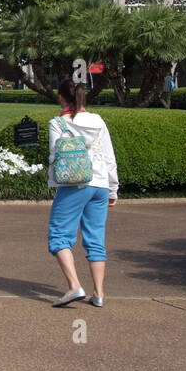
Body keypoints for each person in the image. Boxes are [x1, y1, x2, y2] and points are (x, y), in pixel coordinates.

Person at [46, 78, 120, 307]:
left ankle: (74, 286)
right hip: (99, 184)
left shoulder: (58, 123)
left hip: (73, 185)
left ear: (61, 98)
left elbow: (54, 155)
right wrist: (113, 188)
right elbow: (109, 156)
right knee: (95, 239)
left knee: (59, 235)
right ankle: (98, 293)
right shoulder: (98, 121)